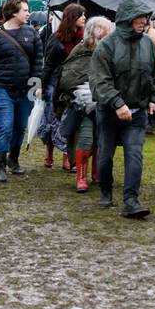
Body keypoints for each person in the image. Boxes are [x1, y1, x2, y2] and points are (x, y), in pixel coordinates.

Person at [90, 0, 155, 217]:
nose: (144, 21)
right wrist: (117, 103)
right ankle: (105, 192)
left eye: (145, 17)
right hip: (110, 112)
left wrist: (153, 99)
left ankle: (131, 201)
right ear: (127, 18)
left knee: (134, 154)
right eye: (139, 16)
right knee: (105, 154)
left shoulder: (148, 44)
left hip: (138, 112)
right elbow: (100, 81)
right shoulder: (106, 46)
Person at [0, 0, 44, 182]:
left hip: (25, 90)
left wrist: (37, 85)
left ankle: (13, 160)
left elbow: (38, 62)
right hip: (1, 88)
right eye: (25, 10)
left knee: (19, 127)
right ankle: (0, 167)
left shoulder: (32, 34)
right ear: (14, 12)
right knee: (4, 127)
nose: (28, 13)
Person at [57, 16, 112, 190]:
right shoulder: (80, 51)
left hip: (105, 102)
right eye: (105, 33)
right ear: (95, 34)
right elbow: (68, 79)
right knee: (87, 138)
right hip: (83, 106)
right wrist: (84, 91)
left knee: (102, 139)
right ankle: (81, 178)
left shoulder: (110, 52)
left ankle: (97, 173)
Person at [40, 2, 85, 170]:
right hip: (54, 85)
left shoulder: (83, 39)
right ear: (73, 18)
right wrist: (42, 87)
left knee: (70, 121)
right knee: (53, 120)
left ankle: (67, 156)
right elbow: (48, 65)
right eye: (81, 15)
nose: (84, 18)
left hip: (74, 85)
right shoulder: (56, 39)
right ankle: (49, 153)